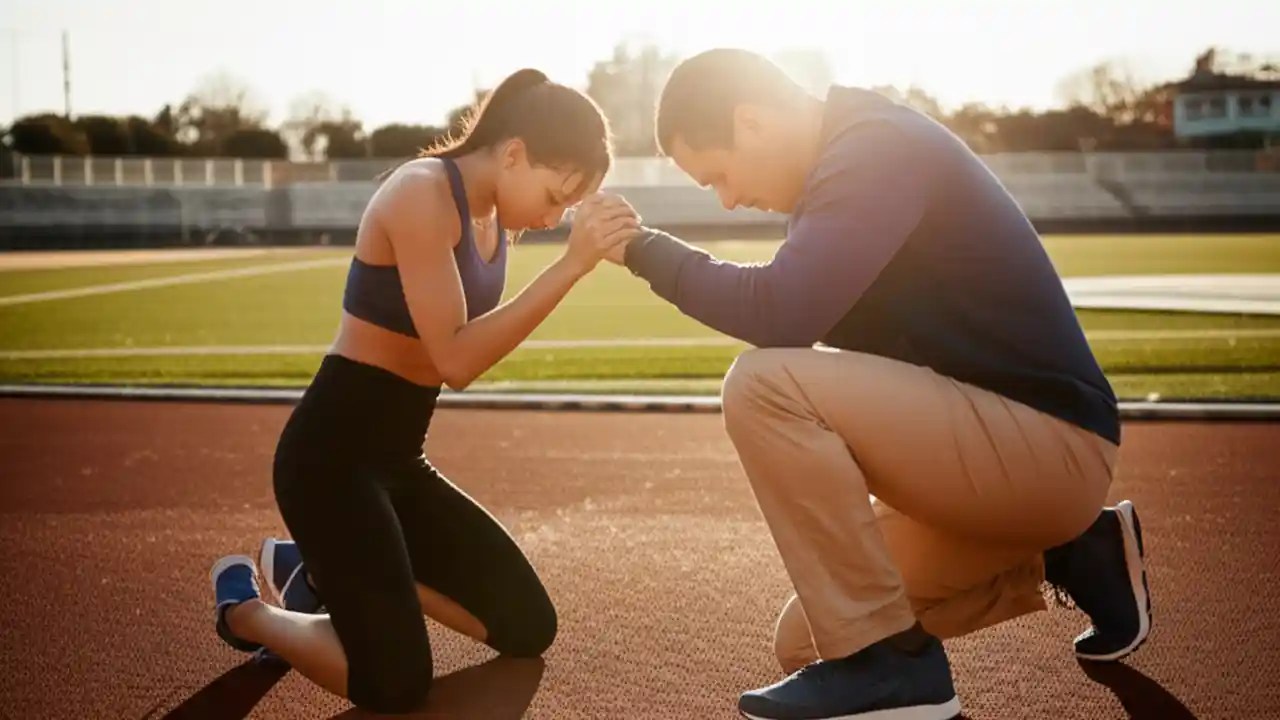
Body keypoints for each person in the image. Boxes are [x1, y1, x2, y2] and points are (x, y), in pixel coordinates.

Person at [605, 49, 1150, 720]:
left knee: (763, 385)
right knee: (809, 641)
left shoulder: (874, 149)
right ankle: (1071, 550)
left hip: (1049, 442)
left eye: (718, 175)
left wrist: (643, 251)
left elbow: (780, 314)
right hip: (1011, 466)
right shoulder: (837, 173)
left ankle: (896, 668)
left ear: (751, 120)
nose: (728, 198)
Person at [207, 68, 639, 714]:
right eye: (553, 196)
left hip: (400, 463)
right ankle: (245, 608)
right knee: (396, 682)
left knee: (528, 626)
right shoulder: (422, 193)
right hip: (329, 462)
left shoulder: (494, 215)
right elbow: (456, 359)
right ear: (514, 153)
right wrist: (572, 265)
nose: (553, 218)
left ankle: (320, 568)